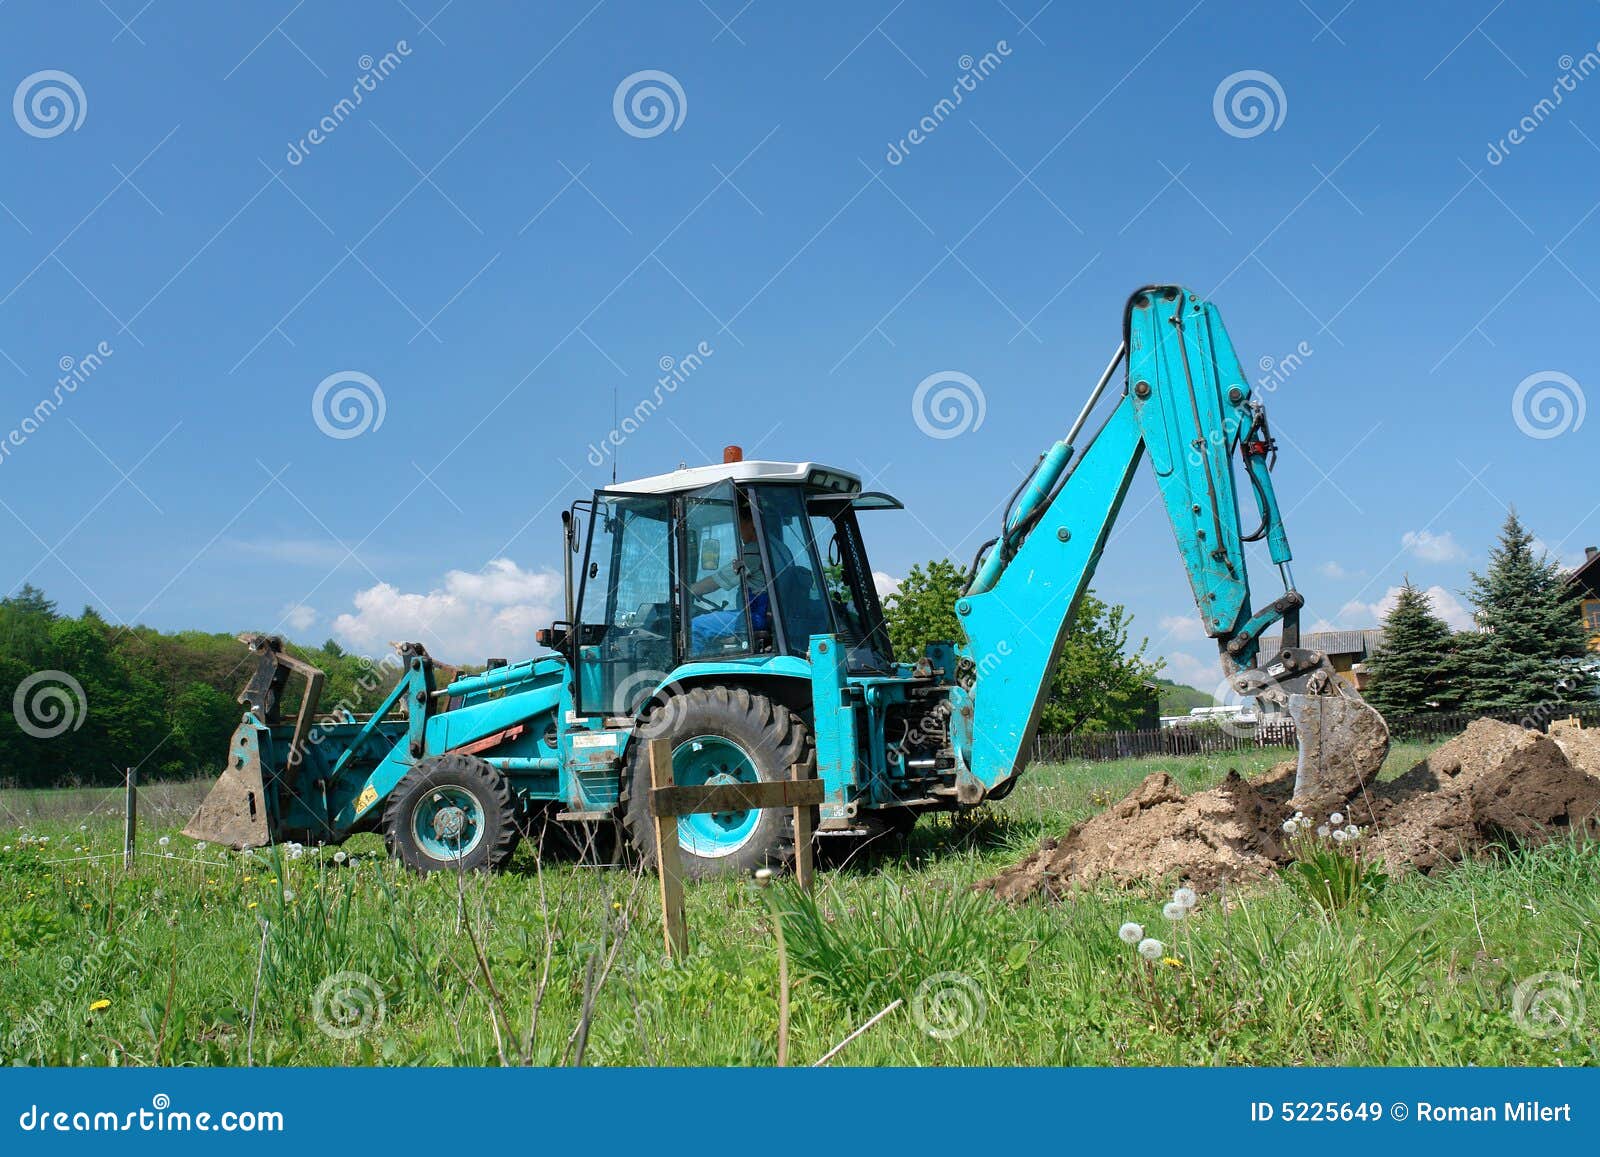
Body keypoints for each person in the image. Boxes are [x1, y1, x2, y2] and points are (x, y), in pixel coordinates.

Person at [689, 496, 791, 653]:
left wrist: (687, 590)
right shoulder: (781, 549)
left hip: (755, 617)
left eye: (740, 526)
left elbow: (715, 582)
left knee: (695, 626)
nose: (739, 532)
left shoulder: (754, 551)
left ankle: (691, 675)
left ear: (752, 525)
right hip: (772, 616)